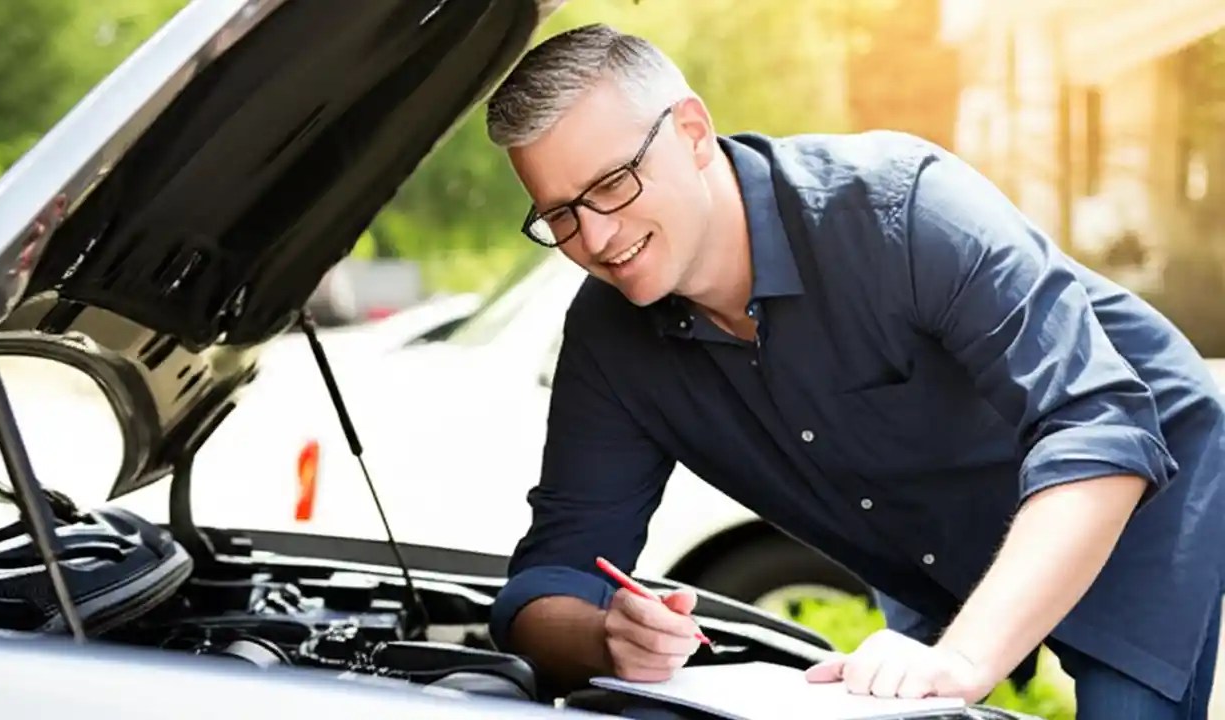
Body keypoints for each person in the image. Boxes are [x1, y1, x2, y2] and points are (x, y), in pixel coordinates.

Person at [481, 22, 1225, 720]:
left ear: (693, 133)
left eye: (612, 185)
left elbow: (1101, 426)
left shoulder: (902, 209)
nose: (598, 238)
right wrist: (602, 635)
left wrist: (966, 655)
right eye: (563, 216)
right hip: (932, 541)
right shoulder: (608, 337)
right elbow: (548, 581)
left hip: (1131, 484)